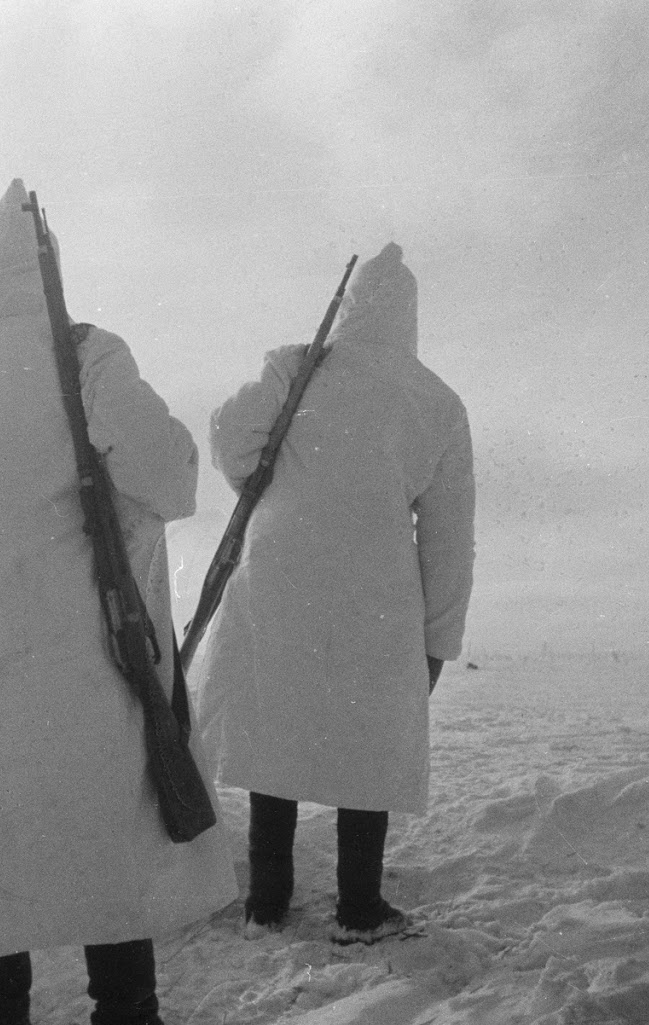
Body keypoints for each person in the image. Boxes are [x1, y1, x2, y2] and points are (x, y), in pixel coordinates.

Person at [0, 178, 235, 1025]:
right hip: (80, 648)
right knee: (106, 826)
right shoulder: (86, 353)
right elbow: (171, 479)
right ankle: (127, 1019)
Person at [193, 242, 476, 942]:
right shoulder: (437, 402)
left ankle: (267, 903)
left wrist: (275, 478)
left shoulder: (299, 366)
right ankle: (358, 908)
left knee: (276, 733)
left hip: (278, 580)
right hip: (376, 595)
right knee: (366, 748)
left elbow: (231, 442)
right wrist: (438, 641)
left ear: (348, 308)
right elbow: (448, 537)